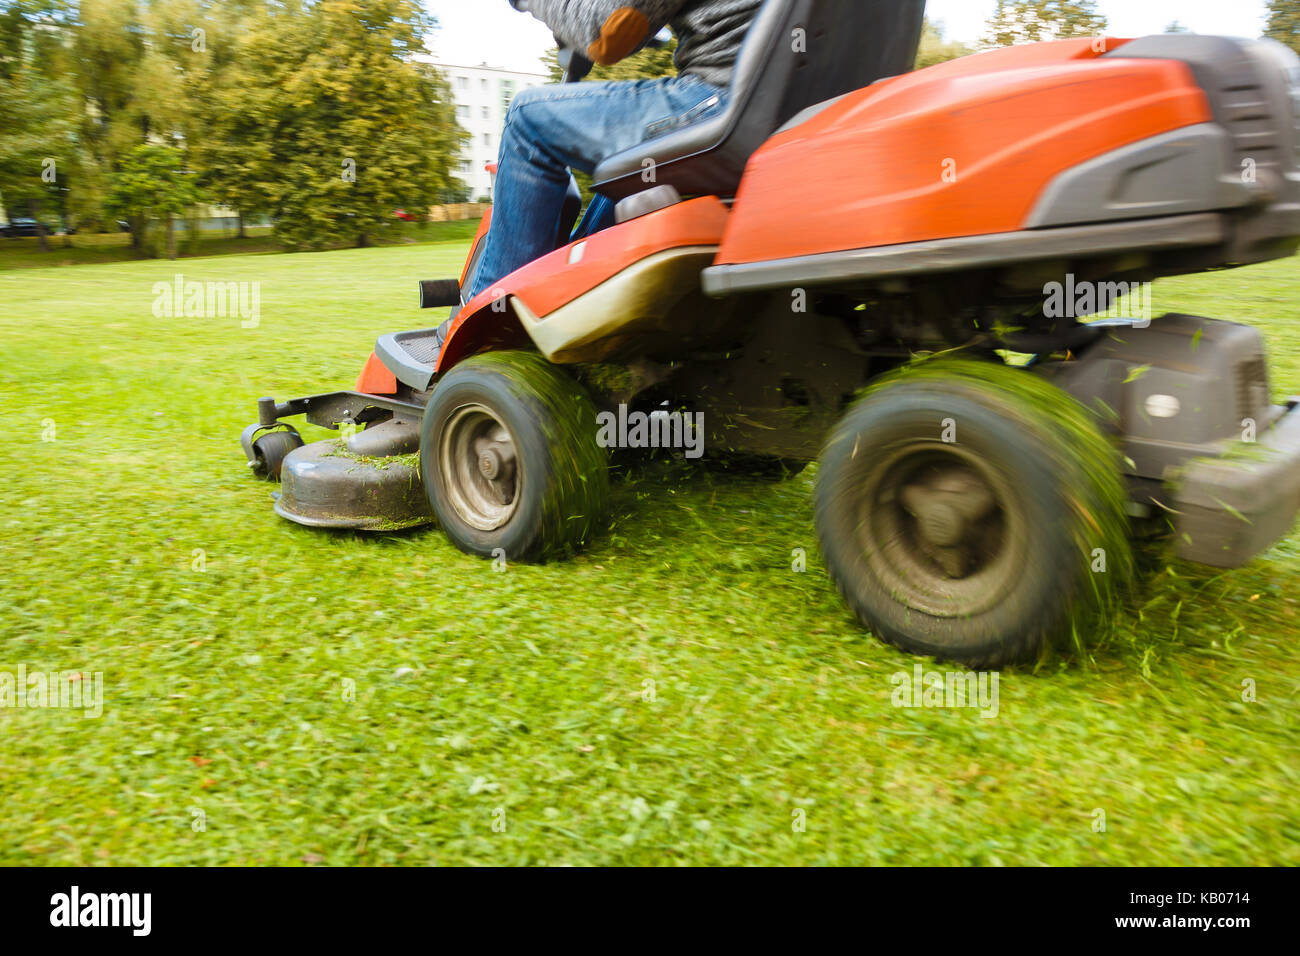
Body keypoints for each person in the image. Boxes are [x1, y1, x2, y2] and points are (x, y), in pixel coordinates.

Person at [463, 0, 764, 302]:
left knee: (526, 117)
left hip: (717, 102)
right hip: (771, 108)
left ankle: (492, 314)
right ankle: (575, 297)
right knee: (626, 172)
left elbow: (609, 27)